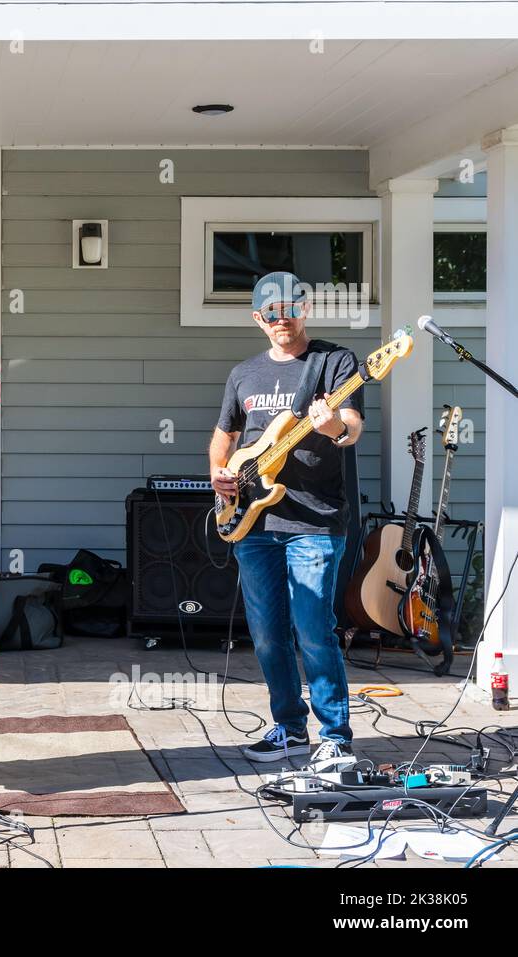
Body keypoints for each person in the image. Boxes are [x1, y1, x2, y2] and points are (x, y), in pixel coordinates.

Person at [209, 271, 364, 768]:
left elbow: (353, 428)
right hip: (254, 521)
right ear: (259, 318)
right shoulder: (243, 374)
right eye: (272, 313)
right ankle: (289, 729)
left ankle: (335, 734)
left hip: (315, 520)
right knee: (268, 633)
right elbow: (225, 437)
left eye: (291, 309)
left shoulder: (334, 361)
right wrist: (219, 475)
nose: (283, 319)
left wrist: (333, 424)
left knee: (314, 627)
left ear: (306, 309)